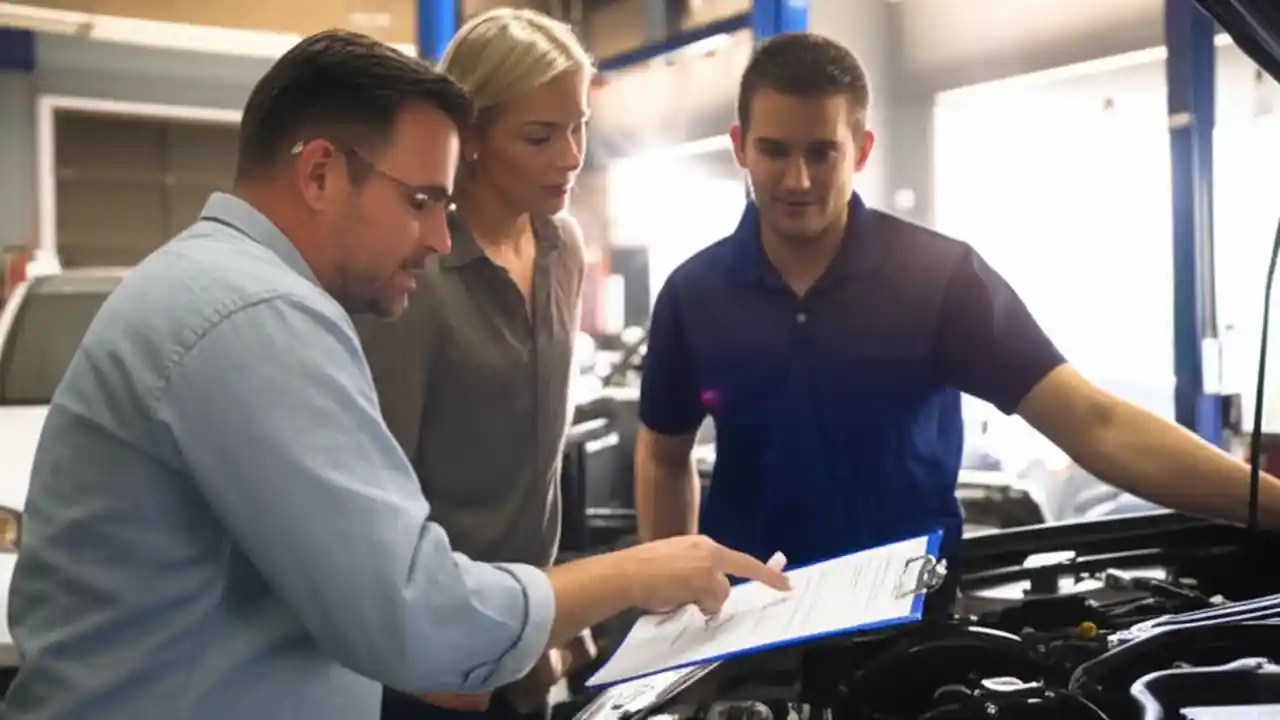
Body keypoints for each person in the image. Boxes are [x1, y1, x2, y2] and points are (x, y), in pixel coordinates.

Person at [4, 30, 788, 720]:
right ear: (319, 174)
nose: (436, 238)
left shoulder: (234, 292)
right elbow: (417, 614)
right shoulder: (255, 316)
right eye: (419, 201)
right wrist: (641, 570)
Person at [634, 31, 1280, 594]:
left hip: (905, 632)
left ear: (860, 149)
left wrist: (1271, 505)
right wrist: (667, 602)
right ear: (740, 146)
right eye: (775, 151)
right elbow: (664, 457)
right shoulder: (694, 294)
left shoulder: (939, 280)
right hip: (747, 628)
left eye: (822, 152)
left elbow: (1095, 423)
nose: (798, 180)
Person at [351, 8, 595, 720]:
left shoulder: (562, 248)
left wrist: (549, 610)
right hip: (428, 658)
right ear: (475, 137)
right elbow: (381, 492)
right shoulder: (417, 272)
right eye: (541, 136)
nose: (572, 155)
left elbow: (540, 462)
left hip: (525, 635)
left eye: (580, 125)